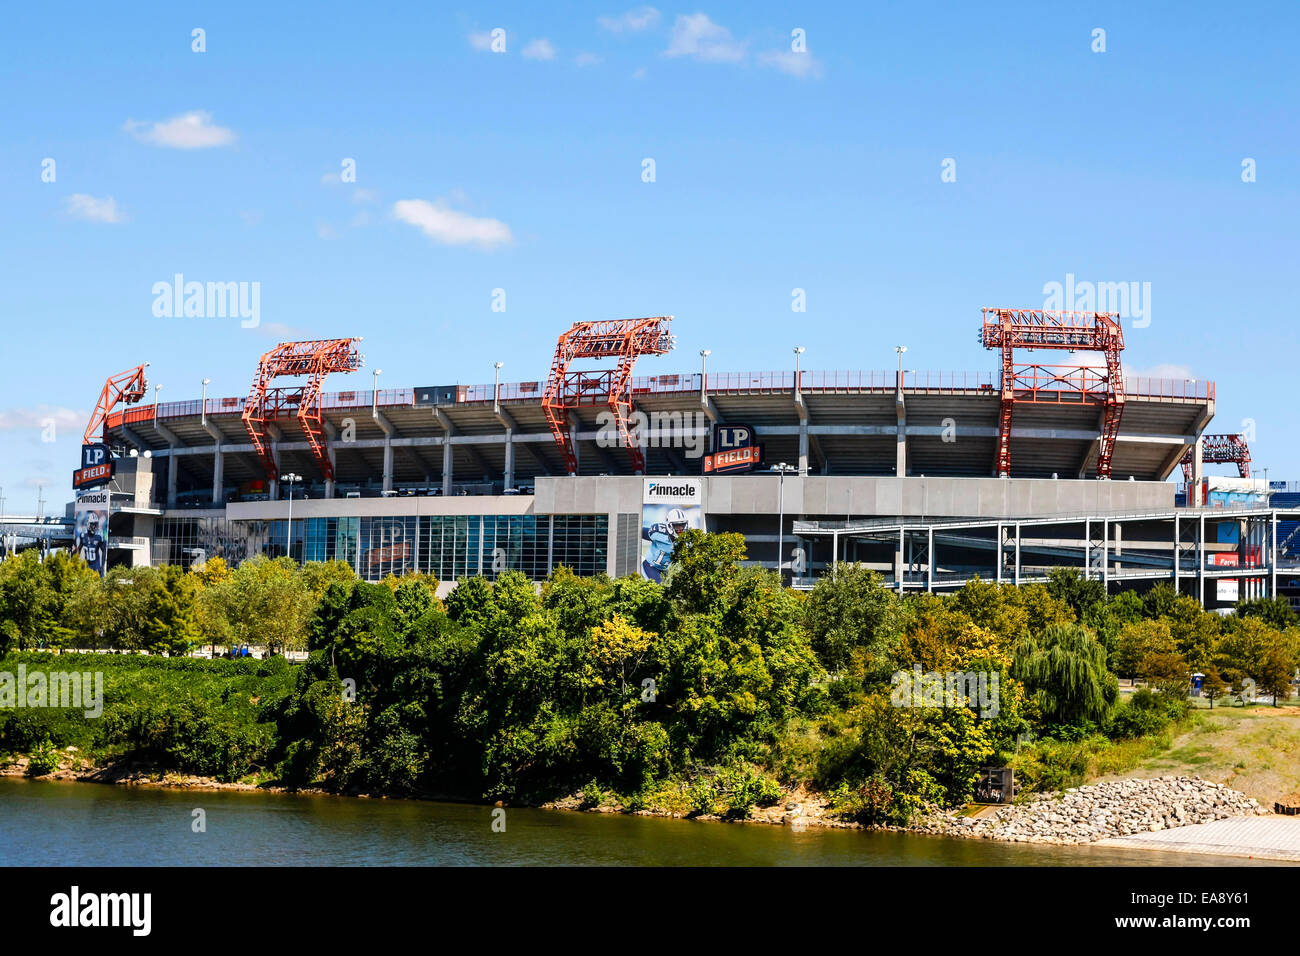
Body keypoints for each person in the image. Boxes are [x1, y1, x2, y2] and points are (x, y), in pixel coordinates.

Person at [641, 508, 690, 583]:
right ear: (669, 525)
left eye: (682, 525)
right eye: (677, 526)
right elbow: (639, 531)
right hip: (651, 566)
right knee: (657, 587)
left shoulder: (686, 539)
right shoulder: (658, 533)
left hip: (666, 569)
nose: (681, 529)